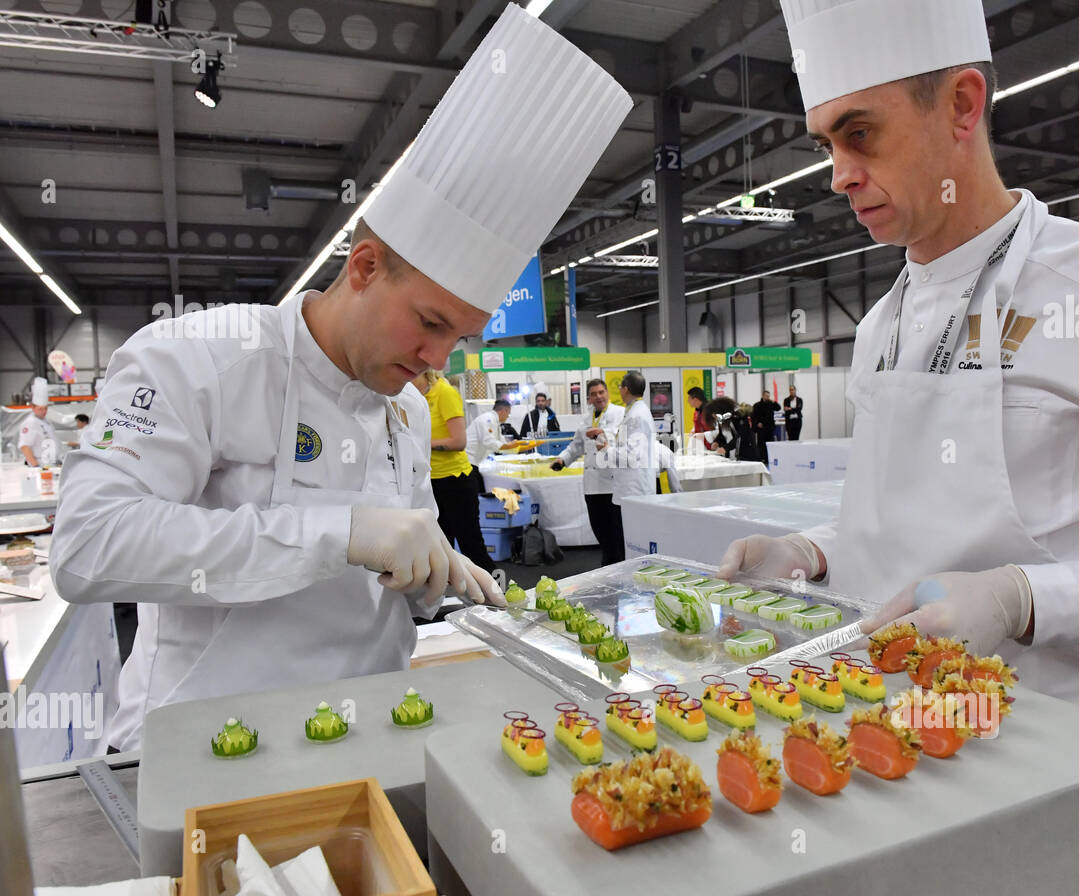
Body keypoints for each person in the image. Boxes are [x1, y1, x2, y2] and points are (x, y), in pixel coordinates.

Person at [48, 4, 631, 752]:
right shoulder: (196, 356)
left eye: (458, 336)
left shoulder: (408, 415)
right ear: (363, 267)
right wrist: (339, 534)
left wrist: (436, 573)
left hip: (375, 740)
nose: (437, 360)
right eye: (428, 323)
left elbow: (386, 573)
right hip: (207, 752)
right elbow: (88, 547)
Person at [721, 0, 1079, 737]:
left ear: (962, 104)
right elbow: (911, 530)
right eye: (826, 143)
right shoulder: (879, 326)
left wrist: (1026, 599)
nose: (838, 175)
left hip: (1053, 749)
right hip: (881, 733)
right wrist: (814, 552)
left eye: (860, 133)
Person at [421, 370, 498, 575]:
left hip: (456, 481)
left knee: (471, 545)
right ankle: (448, 601)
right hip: (429, 482)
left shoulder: (444, 392)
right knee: (440, 549)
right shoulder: (410, 398)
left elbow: (458, 441)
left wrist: (422, 444)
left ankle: (500, 595)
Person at [551, 377, 625, 565]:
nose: (598, 397)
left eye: (601, 392)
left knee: (617, 535)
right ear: (589, 398)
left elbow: (623, 445)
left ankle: (615, 568)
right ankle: (609, 566)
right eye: (593, 394)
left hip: (613, 484)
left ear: (607, 393)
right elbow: (576, 445)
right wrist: (563, 459)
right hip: (592, 486)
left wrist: (602, 435)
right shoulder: (586, 418)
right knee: (600, 530)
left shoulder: (621, 414)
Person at [601, 371, 655, 558]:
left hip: (634, 488)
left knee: (633, 542)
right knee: (626, 540)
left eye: (620, 388)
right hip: (629, 486)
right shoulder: (633, 411)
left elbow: (632, 455)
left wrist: (606, 449)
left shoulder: (637, 415)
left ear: (625, 389)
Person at [466, 399, 525, 487]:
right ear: (503, 411)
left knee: (480, 486)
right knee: (478, 488)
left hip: (474, 462)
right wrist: (509, 446)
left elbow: (501, 444)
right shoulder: (488, 419)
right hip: (468, 461)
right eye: (508, 413)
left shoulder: (496, 424)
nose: (508, 416)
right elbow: (488, 442)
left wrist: (518, 448)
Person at [17, 377, 58, 467]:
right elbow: (25, 446)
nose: (44, 411)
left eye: (45, 408)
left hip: (50, 464)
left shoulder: (47, 422)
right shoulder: (30, 423)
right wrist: (36, 466)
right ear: (33, 407)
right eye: (40, 409)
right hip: (40, 465)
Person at [751, 389, 779, 462]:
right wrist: (757, 423)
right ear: (763, 396)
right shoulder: (757, 405)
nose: (768, 397)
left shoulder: (771, 404)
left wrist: (774, 402)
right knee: (761, 444)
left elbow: (778, 408)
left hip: (769, 427)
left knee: (770, 443)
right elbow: (753, 416)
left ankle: (770, 458)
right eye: (766, 396)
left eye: (769, 396)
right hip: (761, 428)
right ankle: (762, 458)